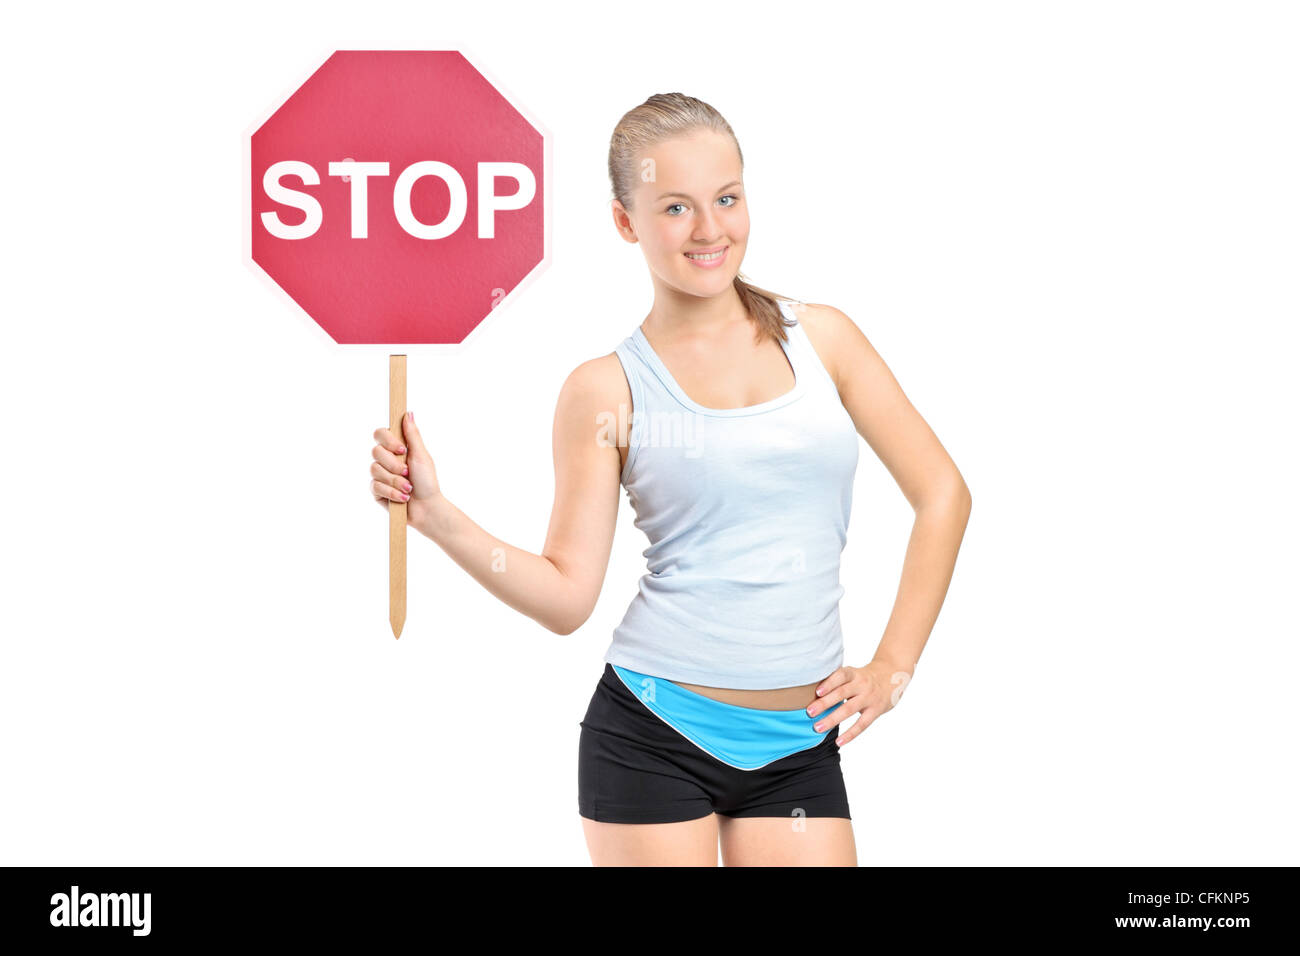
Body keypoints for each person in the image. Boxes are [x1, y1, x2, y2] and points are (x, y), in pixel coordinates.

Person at [369, 93, 971, 866]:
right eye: (676, 207)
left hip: (799, 742)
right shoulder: (606, 389)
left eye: (727, 198)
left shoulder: (826, 339)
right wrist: (436, 514)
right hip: (654, 736)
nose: (711, 229)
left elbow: (941, 492)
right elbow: (566, 597)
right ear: (626, 221)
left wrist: (893, 668)